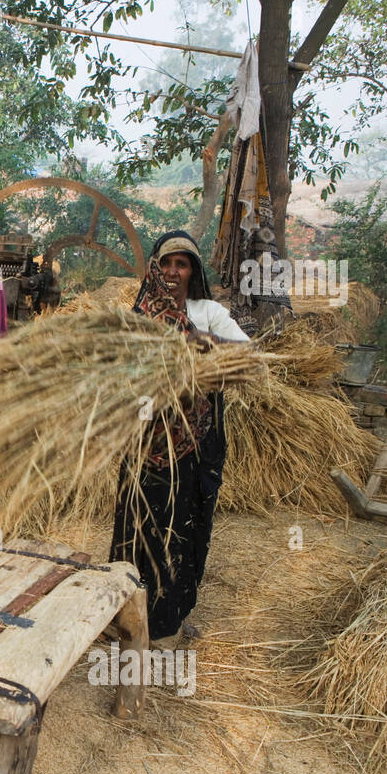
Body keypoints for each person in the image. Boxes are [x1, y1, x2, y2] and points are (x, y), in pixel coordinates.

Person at [109, 230, 249, 647]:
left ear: (193, 271)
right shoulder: (137, 317)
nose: (172, 271)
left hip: (193, 443)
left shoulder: (208, 312)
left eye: (181, 264)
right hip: (143, 440)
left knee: (179, 529)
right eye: (166, 263)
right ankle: (122, 620)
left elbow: (245, 354)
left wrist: (201, 345)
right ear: (155, 268)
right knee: (135, 527)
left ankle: (165, 626)